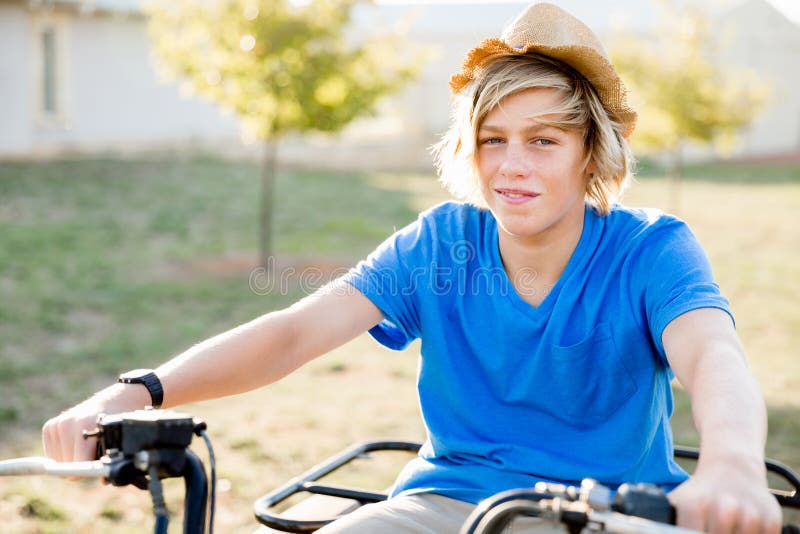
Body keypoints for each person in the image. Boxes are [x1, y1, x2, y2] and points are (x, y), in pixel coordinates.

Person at [42, 3, 781, 533]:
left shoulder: (651, 248)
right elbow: (294, 332)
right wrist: (137, 390)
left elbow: (713, 356)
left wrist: (734, 466)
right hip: (447, 507)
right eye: (492, 139)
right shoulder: (441, 243)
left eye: (543, 141)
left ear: (592, 152)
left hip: (608, 511)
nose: (511, 166)